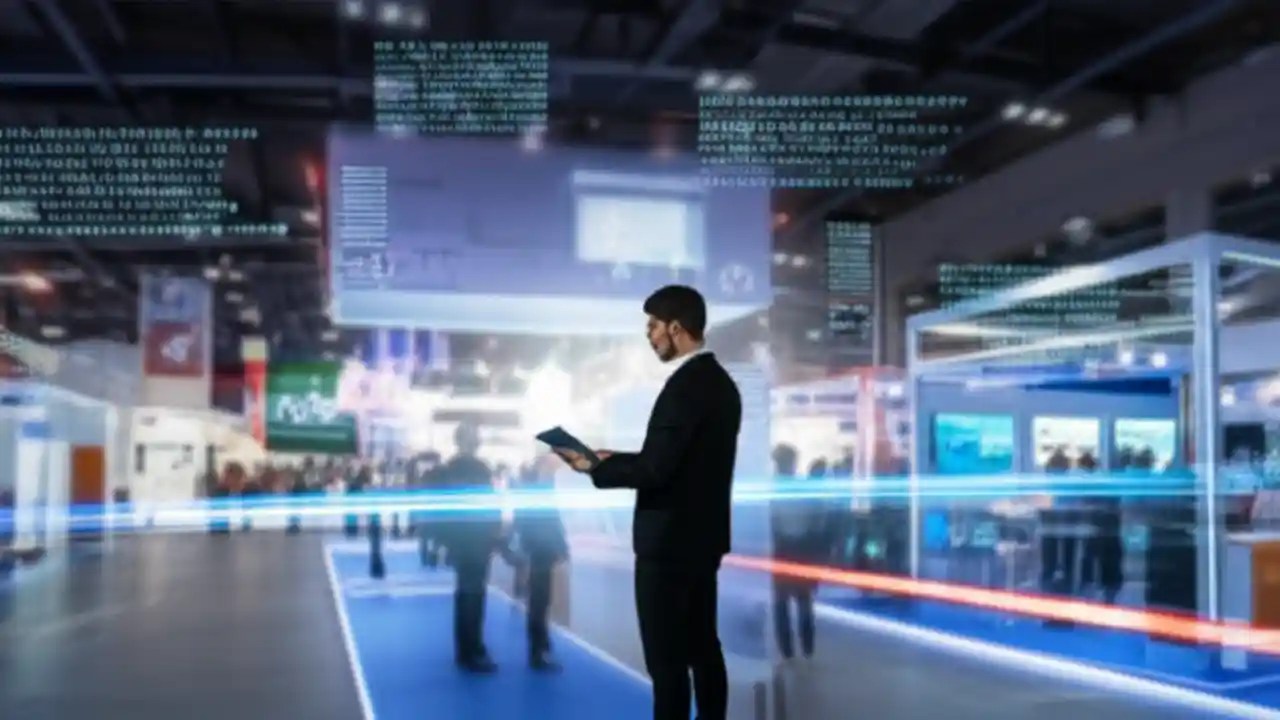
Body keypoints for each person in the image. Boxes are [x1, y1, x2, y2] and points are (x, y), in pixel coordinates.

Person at [558, 285, 741, 720]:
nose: (649, 334)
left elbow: (657, 471)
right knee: (703, 648)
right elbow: (679, 461)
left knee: (667, 663)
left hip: (668, 545)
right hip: (702, 539)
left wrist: (594, 468)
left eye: (653, 326)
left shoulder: (684, 388)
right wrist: (614, 458)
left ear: (676, 328)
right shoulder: (719, 384)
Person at [438, 422, 503, 673]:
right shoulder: (479, 468)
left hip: (461, 541)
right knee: (474, 595)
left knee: (464, 594)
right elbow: (488, 505)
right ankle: (474, 649)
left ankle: (465, 650)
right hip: (476, 540)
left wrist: (445, 541)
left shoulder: (450, 468)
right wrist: (496, 535)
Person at [769, 447, 832, 661]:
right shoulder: (801, 488)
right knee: (803, 599)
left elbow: (771, 522)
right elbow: (818, 519)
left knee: (781, 601)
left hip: (781, 548)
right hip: (802, 548)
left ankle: (787, 648)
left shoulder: (772, 488)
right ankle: (807, 645)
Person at [513, 456, 569, 671]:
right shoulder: (538, 491)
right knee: (539, 602)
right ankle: (537, 652)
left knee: (540, 601)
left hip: (539, 550)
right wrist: (560, 547)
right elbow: (550, 521)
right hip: (540, 551)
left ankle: (541, 645)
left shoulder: (535, 489)